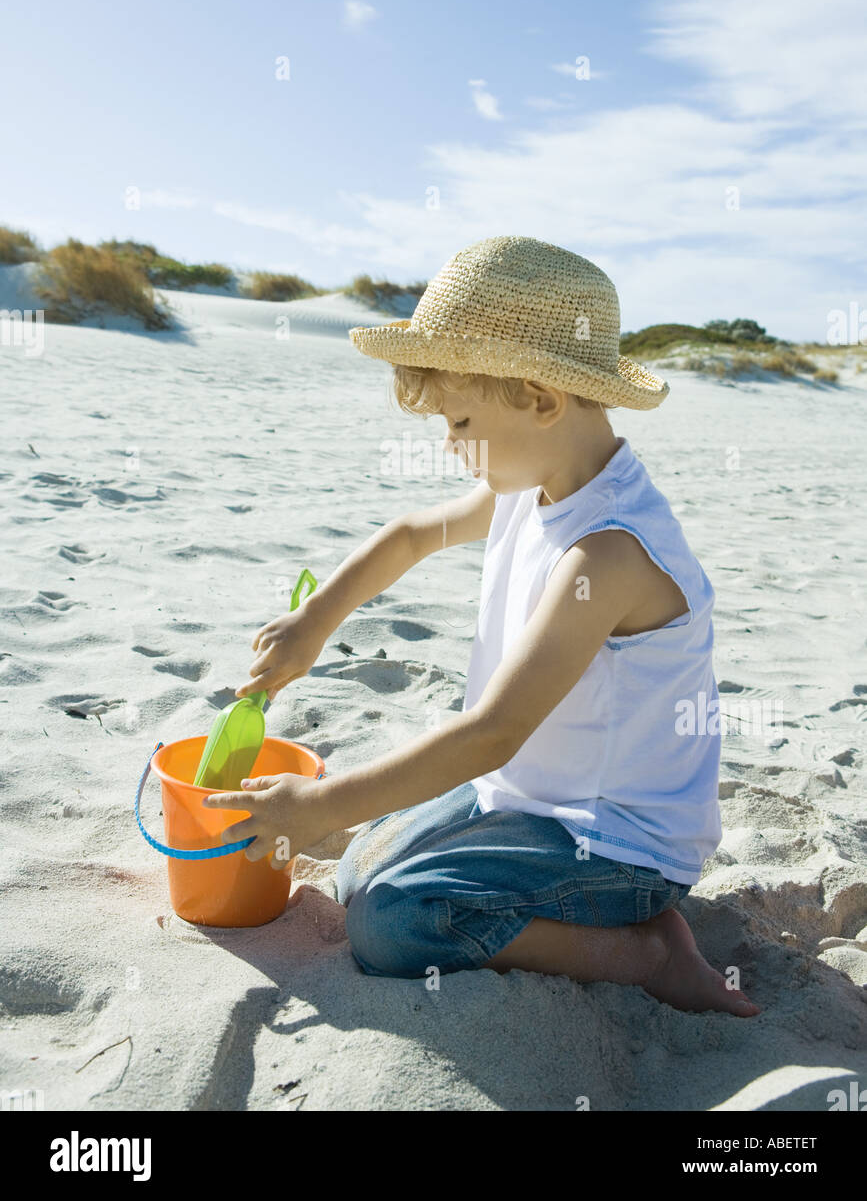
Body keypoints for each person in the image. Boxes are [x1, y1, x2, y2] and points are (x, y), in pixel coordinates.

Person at [204, 236, 760, 1016]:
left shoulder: (608, 550)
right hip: (527, 799)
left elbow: (492, 732)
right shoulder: (529, 485)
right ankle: (587, 919)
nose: (448, 445)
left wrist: (320, 807)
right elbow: (408, 534)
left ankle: (644, 951)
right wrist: (313, 620)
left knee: (390, 924)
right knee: (359, 868)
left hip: (618, 843)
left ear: (539, 397)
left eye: (459, 418)